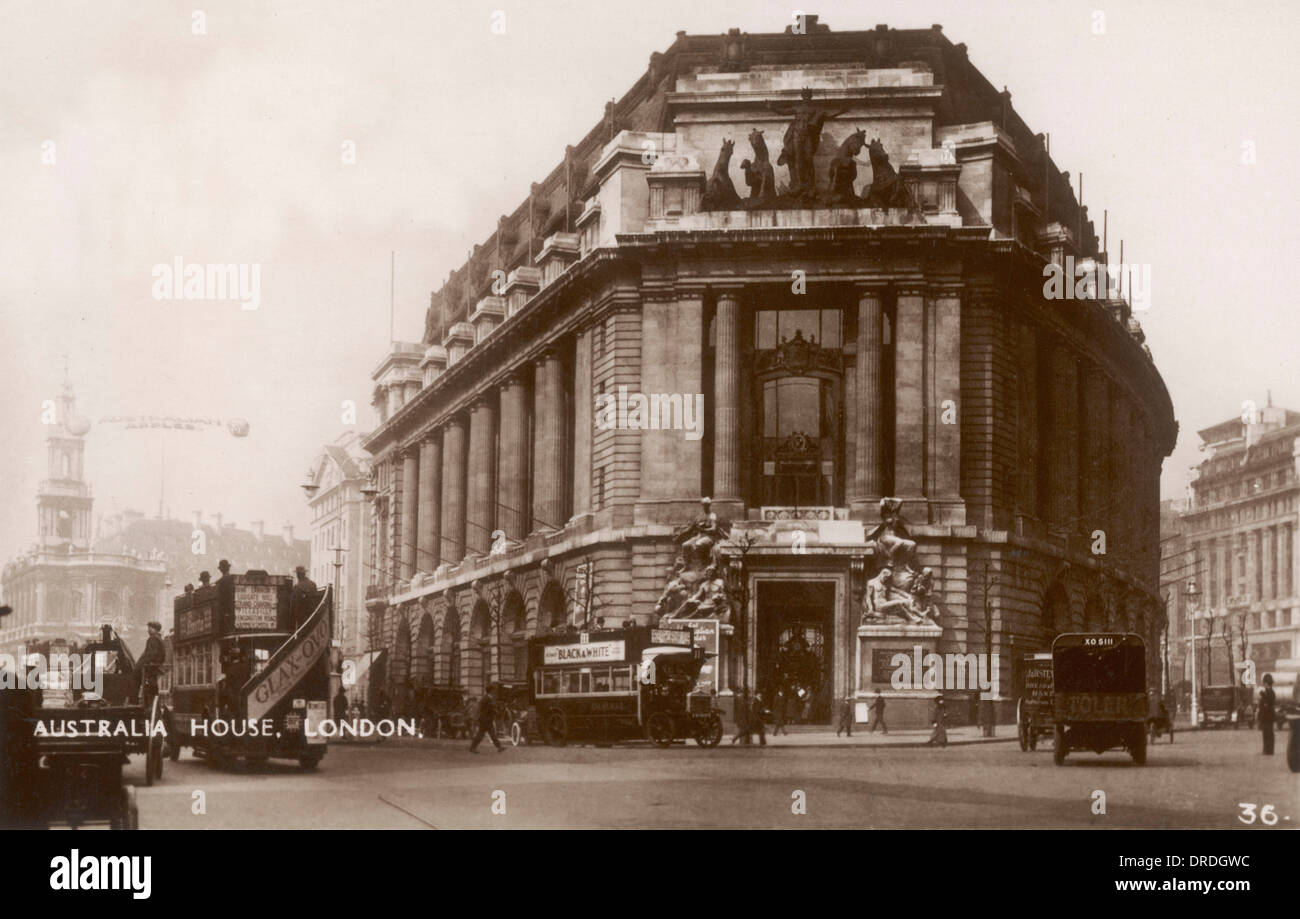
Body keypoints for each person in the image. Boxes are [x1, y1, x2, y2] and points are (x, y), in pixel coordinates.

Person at [136, 621, 166, 706]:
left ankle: (141, 703)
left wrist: (140, 666)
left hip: (151, 668)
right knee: (153, 688)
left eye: (149, 628)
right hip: (154, 667)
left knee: (139, 680)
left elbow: (150, 655)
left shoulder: (153, 639)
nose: (148, 630)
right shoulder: (159, 639)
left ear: (155, 629)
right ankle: (153, 706)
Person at [470, 685, 504, 753]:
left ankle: (499, 747)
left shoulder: (486, 698)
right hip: (485, 720)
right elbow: (490, 708)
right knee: (482, 734)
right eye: (493, 690)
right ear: (491, 691)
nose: (494, 692)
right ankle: (472, 747)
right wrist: (497, 712)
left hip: (486, 719)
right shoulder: (487, 699)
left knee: (490, 734)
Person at [1259, 674, 1276, 755]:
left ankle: (1269, 750)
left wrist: (1263, 696)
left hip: (1268, 716)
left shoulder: (1270, 692)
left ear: (1266, 683)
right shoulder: (1268, 692)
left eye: (1264, 683)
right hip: (1267, 716)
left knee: (1268, 733)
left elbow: (1267, 703)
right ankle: (1266, 749)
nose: (1264, 684)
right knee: (1266, 733)